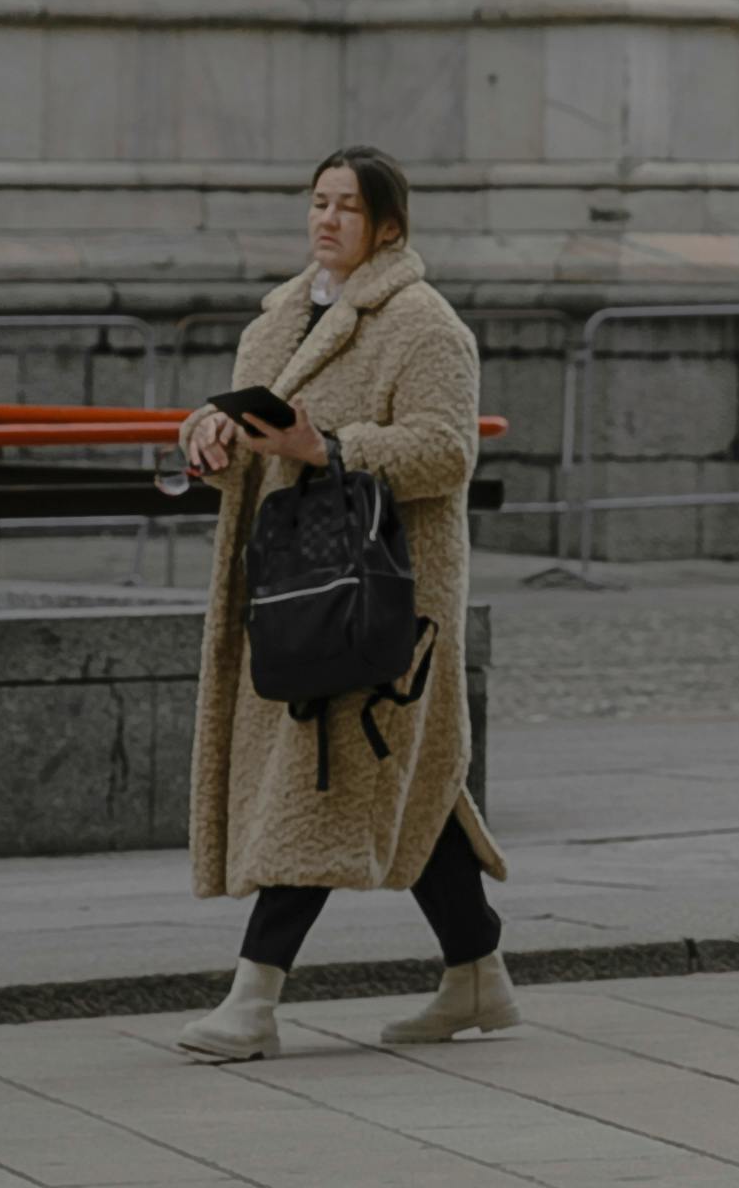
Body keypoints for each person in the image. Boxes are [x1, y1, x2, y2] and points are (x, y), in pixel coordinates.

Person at [173, 149, 511, 1061]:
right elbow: (255, 437)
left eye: (347, 207)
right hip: (291, 579)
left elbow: (446, 452)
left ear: (388, 225)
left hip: (381, 588)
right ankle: (477, 972)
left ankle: (252, 1000)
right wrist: (208, 436)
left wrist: (330, 448)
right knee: (406, 776)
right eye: (318, 202)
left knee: (321, 775)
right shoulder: (280, 317)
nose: (326, 220)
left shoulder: (424, 324)